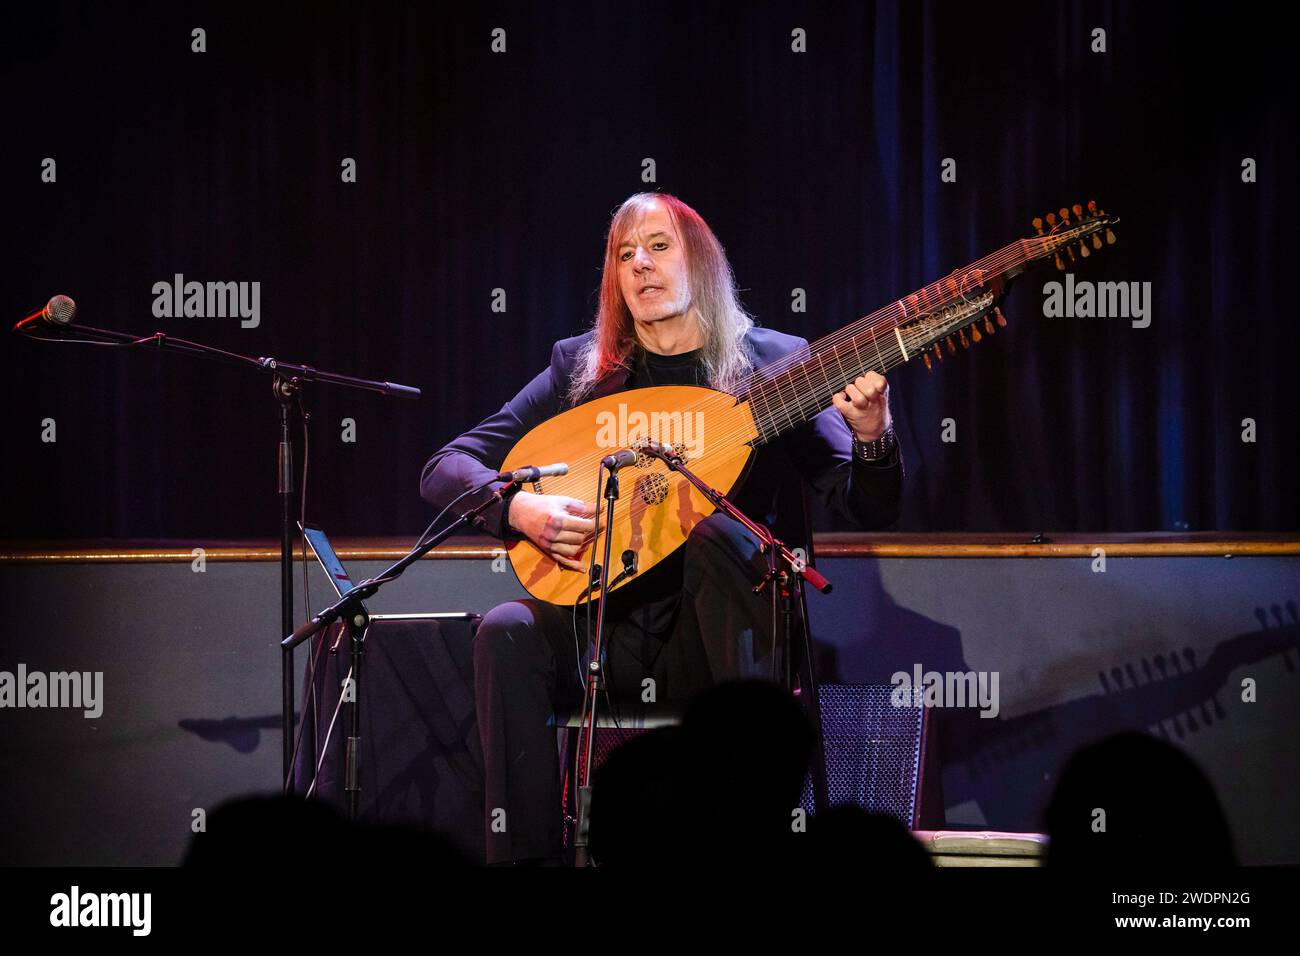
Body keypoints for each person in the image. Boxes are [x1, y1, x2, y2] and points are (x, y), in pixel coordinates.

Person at [420, 192, 903, 864]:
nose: (640, 264)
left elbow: (868, 507)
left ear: (701, 261)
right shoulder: (582, 371)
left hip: (731, 639)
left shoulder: (776, 364)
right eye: (625, 254)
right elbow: (446, 467)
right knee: (506, 629)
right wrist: (518, 510)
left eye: (658, 246)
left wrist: (874, 436)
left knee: (707, 535)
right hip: (610, 637)